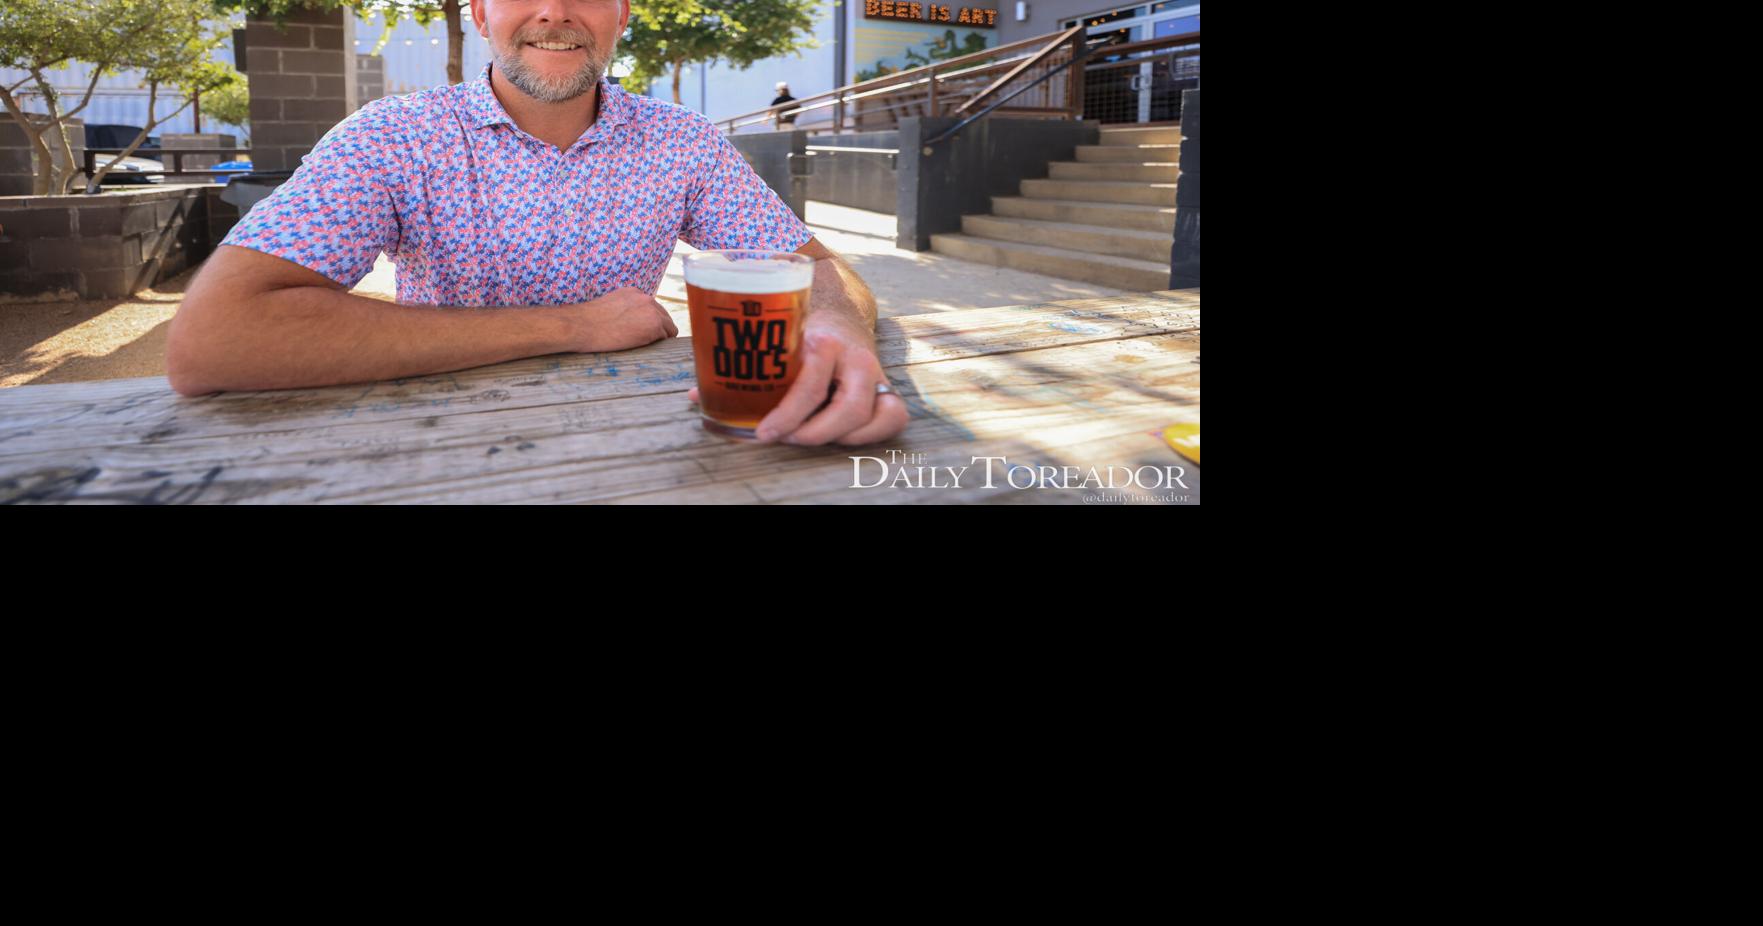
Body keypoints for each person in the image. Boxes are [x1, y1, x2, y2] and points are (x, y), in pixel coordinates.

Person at [168, 0, 906, 448]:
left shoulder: (683, 140)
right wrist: (572, 325)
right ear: (480, 13)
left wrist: (837, 326)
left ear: (622, 14)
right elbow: (214, 341)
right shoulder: (392, 135)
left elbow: (816, 268)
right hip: (430, 442)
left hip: (639, 447)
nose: (555, 12)